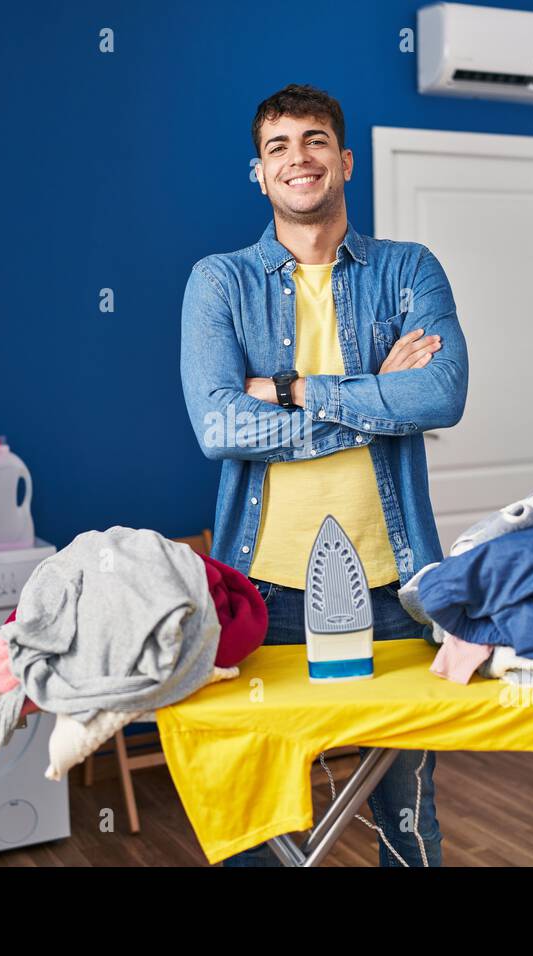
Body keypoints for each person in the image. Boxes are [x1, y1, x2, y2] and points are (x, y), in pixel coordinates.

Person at [179, 83, 469, 866]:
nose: (297, 158)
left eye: (314, 141)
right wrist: (377, 394)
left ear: (344, 160)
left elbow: (440, 395)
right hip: (263, 592)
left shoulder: (409, 269)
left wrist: (288, 389)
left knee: (408, 815)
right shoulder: (220, 282)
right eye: (278, 147)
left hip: (395, 587)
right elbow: (218, 425)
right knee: (257, 821)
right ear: (260, 173)